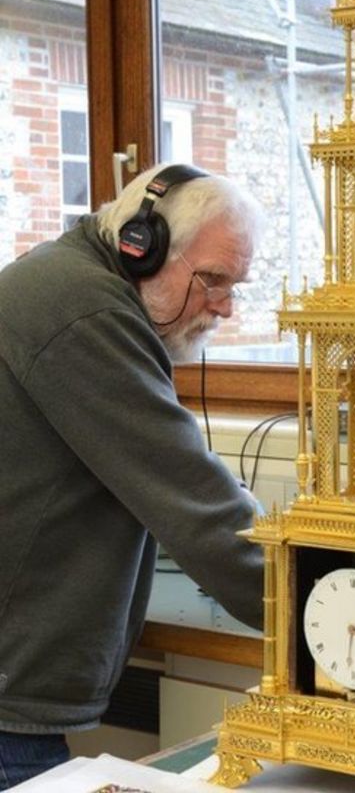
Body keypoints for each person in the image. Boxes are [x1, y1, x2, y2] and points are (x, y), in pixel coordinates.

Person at [0, 164, 267, 789]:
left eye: (235, 286)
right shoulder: (81, 309)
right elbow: (191, 498)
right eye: (213, 280)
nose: (226, 307)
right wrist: (330, 608)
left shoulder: (71, 283)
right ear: (141, 247)